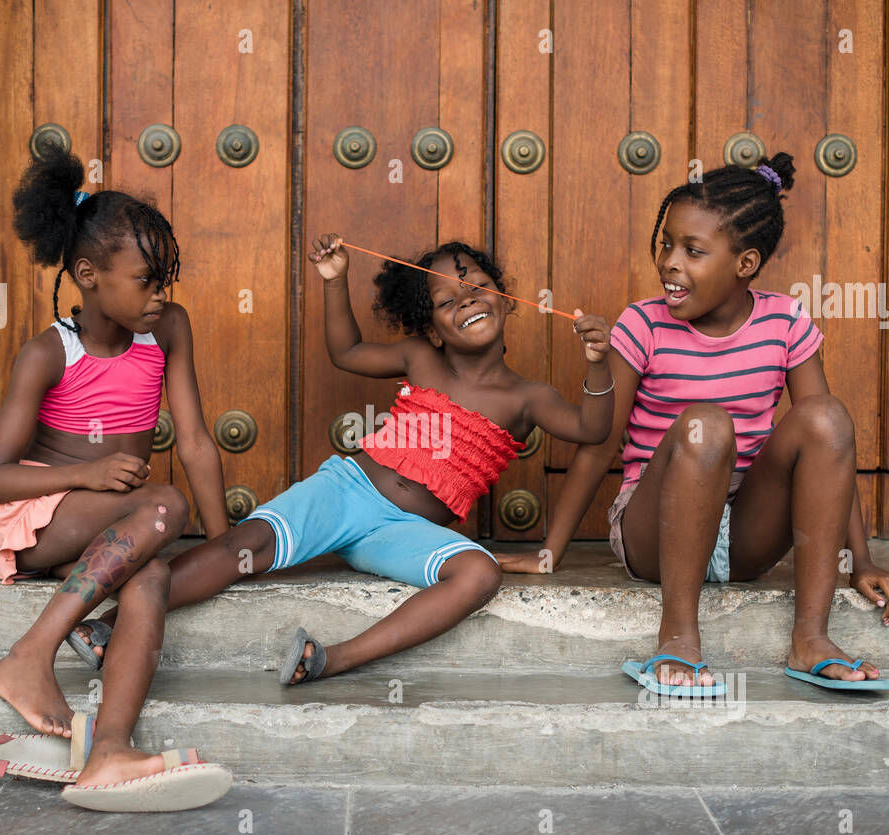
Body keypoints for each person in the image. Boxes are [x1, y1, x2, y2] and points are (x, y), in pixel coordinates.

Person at [67, 233, 616, 685]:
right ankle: (109, 625)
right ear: (431, 327)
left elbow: (592, 427)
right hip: (347, 491)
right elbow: (345, 352)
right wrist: (335, 282)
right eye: (447, 301)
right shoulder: (420, 357)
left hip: (400, 535)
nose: (467, 299)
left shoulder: (529, 396)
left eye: (477, 285)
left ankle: (335, 658)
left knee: (479, 573)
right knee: (243, 546)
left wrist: (597, 362)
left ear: (504, 295)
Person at [498, 153, 889, 694]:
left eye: (693, 251)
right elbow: (599, 444)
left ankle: (811, 638)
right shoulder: (642, 324)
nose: (671, 262)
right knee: (706, 426)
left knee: (827, 415)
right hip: (655, 535)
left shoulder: (784, 322)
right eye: (667, 243)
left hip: (747, 534)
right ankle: (677, 638)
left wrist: (861, 562)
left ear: (744, 264)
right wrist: (549, 549)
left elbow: (830, 448)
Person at [0, 152, 230, 791]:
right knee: (166, 504)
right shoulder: (47, 353)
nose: (161, 295)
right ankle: (31, 654)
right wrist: (84, 476)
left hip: (109, 529)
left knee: (149, 577)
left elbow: (197, 440)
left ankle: (111, 748)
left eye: (164, 278)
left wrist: (230, 546)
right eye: (146, 280)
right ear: (89, 276)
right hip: (38, 521)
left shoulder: (167, 329)